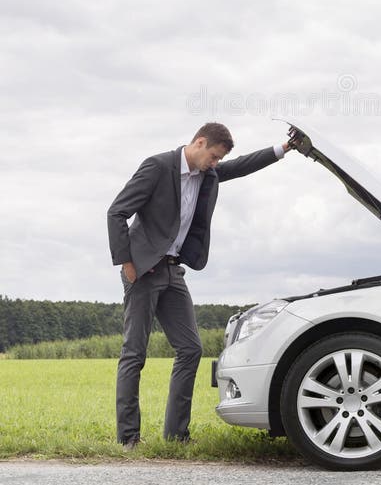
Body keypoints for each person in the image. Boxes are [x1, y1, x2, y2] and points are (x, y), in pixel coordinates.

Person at [107, 121, 290, 449]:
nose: (216, 164)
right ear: (200, 143)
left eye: (219, 160)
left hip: (174, 271)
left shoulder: (208, 174)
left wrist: (283, 149)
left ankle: (176, 436)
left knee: (190, 348)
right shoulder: (158, 166)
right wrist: (128, 263)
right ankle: (128, 438)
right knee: (134, 352)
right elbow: (117, 212)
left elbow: (242, 166)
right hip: (144, 269)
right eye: (214, 157)